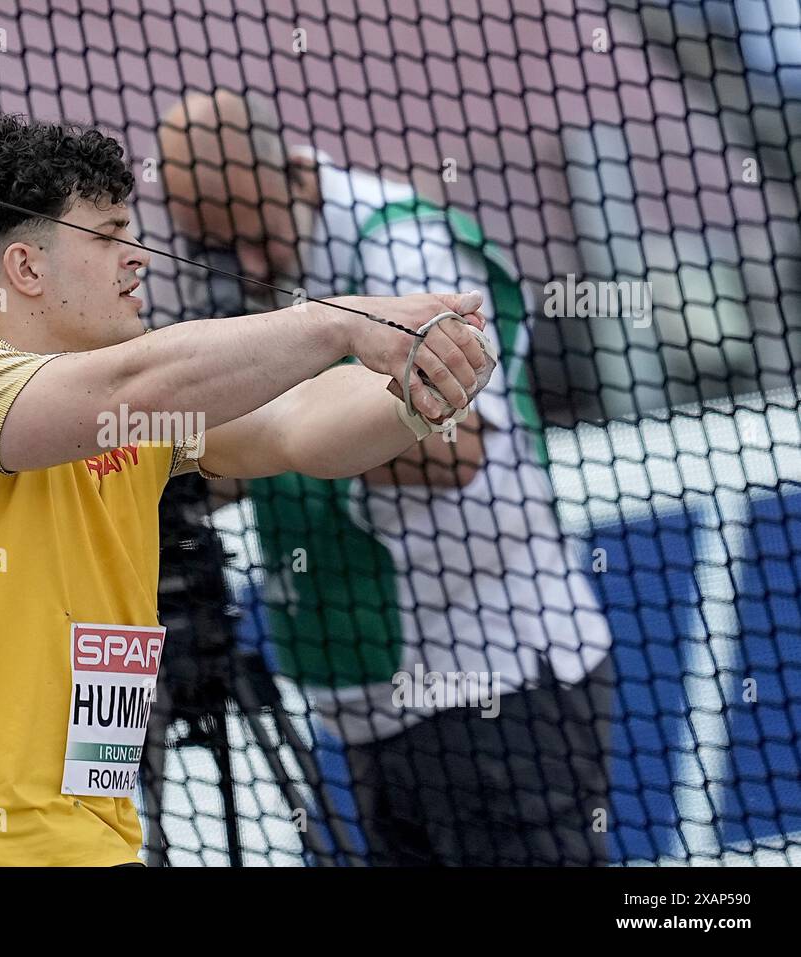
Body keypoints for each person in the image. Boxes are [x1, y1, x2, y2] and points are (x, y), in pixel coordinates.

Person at [0, 113, 494, 866]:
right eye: (108, 236)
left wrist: (420, 387)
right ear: (27, 270)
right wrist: (334, 325)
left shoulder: (134, 416)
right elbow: (137, 379)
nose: (140, 259)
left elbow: (294, 423)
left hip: (91, 846)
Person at [158, 90, 615, 865]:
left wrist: (291, 400)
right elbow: (243, 459)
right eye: (222, 246)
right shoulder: (248, 275)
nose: (253, 265)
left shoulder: (401, 247)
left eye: (259, 236)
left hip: (493, 681)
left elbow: (457, 446)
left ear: (297, 178)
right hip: (371, 699)